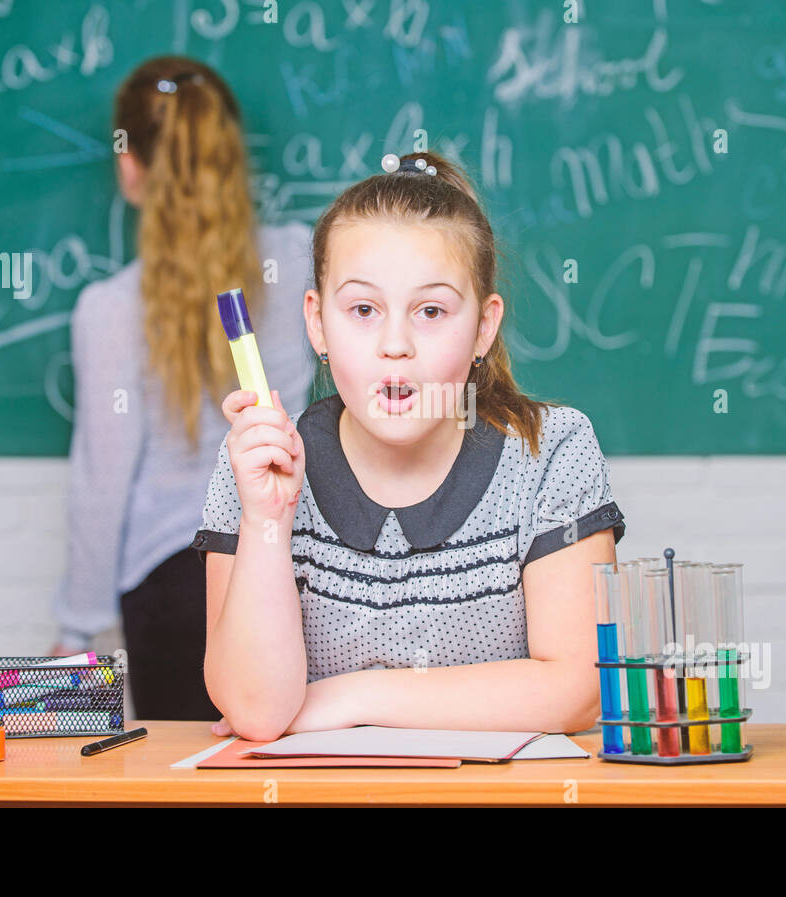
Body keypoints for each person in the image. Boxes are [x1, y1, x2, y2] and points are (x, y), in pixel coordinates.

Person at [193, 151, 625, 741]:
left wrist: (349, 698)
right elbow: (258, 711)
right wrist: (267, 518)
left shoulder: (550, 452)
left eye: (430, 311)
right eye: (364, 310)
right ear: (318, 323)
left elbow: (580, 689)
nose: (395, 345)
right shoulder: (256, 461)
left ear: (483, 327)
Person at [51, 56, 315, 721]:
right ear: (232, 156)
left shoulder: (110, 309)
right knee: (280, 771)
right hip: (284, 567)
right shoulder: (303, 260)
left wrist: (76, 629)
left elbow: (102, 480)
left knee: (186, 782)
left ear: (130, 166)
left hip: (168, 586)